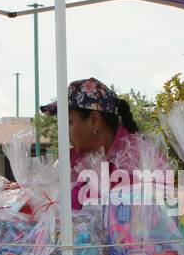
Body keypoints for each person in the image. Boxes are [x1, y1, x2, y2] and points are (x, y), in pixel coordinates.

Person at [40, 77, 141, 209]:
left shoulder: (137, 160)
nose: (64, 132)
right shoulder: (74, 158)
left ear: (94, 120)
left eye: (69, 123)